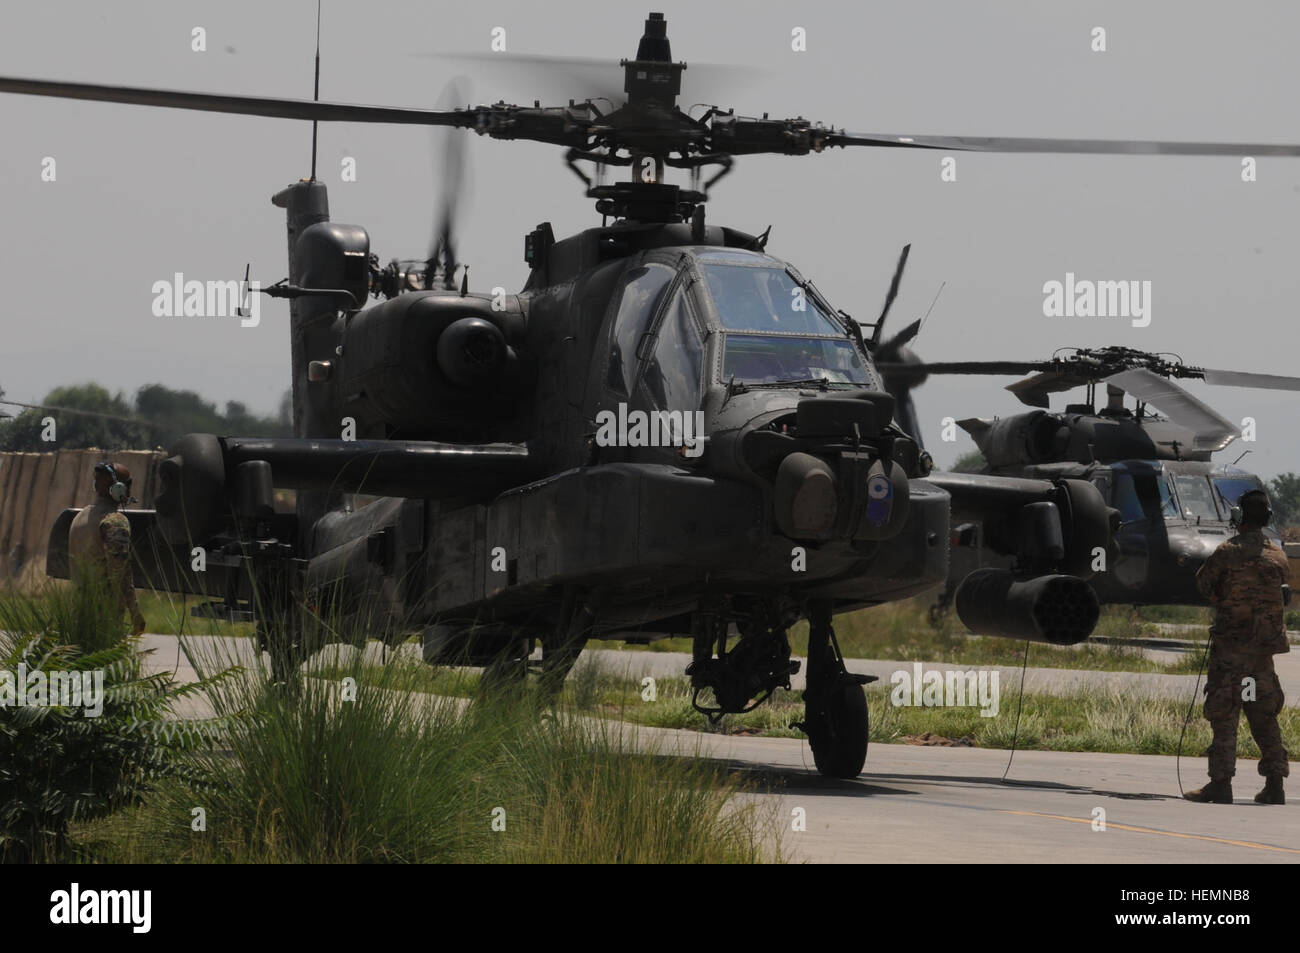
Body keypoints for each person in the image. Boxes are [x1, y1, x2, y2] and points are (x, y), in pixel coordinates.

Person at [1184, 489, 1290, 805]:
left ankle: (1221, 783)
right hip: (1261, 656)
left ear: (1239, 518)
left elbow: (1204, 585)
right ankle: (1275, 785)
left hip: (1232, 652)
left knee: (1224, 714)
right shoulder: (1278, 555)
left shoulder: (1226, 552)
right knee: (1263, 715)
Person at [67, 461, 146, 637]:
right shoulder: (115, 521)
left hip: (77, 610)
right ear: (117, 489)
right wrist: (135, 613)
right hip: (104, 618)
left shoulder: (79, 517)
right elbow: (120, 572)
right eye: (128, 485)